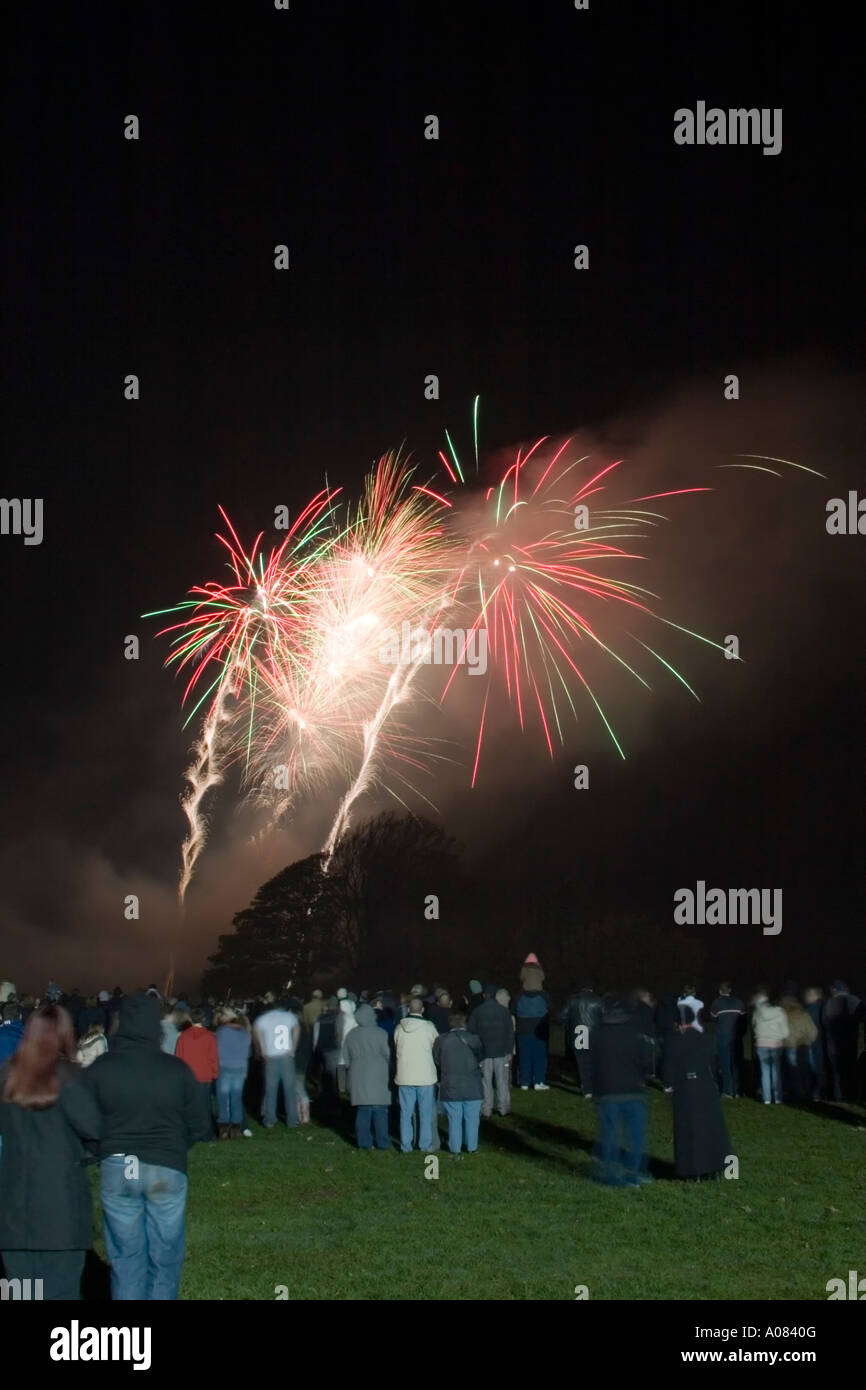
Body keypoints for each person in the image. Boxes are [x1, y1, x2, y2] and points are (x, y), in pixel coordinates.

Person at [82, 991, 212, 1299]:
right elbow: (200, 1123)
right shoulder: (176, 1069)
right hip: (165, 1165)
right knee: (165, 1257)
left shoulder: (101, 1069)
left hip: (118, 1166)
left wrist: (101, 1146)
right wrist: (174, 1146)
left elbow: (84, 1120)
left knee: (126, 1258)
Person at [0, 1004, 102, 1299]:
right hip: (61, 1212)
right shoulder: (71, 1078)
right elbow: (97, 1132)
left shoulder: (6, 1075)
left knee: (21, 1294)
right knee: (61, 1294)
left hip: (13, 1213)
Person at [590, 992, 653, 1187]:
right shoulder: (634, 1030)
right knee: (636, 1136)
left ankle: (610, 1174)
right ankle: (634, 1173)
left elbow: (592, 1061)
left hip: (608, 1091)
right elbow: (646, 1059)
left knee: (609, 1134)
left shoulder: (597, 1033)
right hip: (632, 1089)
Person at [663, 1003, 732, 1179]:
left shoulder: (675, 1039)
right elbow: (713, 1063)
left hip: (686, 1089)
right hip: (706, 1088)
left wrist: (668, 1083)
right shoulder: (705, 1037)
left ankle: (693, 1170)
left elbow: (669, 1068)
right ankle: (717, 1167)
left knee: (689, 1131)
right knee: (710, 1129)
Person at [434, 1010, 484, 1155]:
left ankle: (455, 1148)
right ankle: (471, 1147)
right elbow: (480, 1056)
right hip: (472, 1084)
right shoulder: (474, 1039)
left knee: (454, 1118)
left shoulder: (441, 1040)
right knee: (472, 1118)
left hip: (450, 1084)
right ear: (465, 1023)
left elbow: (437, 1060)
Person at [393, 998, 438, 1153]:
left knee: (405, 1112)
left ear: (408, 1010)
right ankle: (424, 1145)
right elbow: (436, 1047)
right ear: (422, 1010)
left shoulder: (399, 1027)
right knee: (425, 1112)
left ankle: (406, 1145)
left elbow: (396, 1046)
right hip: (425, 1075)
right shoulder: (429, 1027)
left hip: (405, 1074)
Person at [345, 1002, 392, 1149]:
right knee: (380, 1111)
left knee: (363, 1110)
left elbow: (346, 1058)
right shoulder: (381, 1033)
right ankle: (383, 1142)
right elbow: (388, 1054)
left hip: (358, 1075)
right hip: (378, 1074)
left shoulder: (351, 1035)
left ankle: (364, 1142)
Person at [253, 995, 300, 1128]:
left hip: (271, 1057)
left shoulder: (263, 1019)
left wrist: (262, 1050)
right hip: (286, 1056)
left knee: (270, 1089)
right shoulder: (290, 1017)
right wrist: (293, 1048)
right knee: (289, 1089)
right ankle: (292, 1120)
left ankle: (269, 1119)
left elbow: (256, 1032)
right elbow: (296, 1030)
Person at [469, 984, 514, 1117]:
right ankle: (503, 1108)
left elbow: (471, 1032)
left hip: (484, 1052)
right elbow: (510, 1032)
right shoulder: (504, 1011)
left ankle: (486, 1109)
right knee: (502, 1080)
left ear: (484, 995)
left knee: (485, 1082)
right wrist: (509, 1050)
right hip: (501, 1051)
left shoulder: (477, 1011)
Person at [175, 1008, 219, 1131]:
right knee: (205, 1105)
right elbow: (213, 1057)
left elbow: (178, 1058)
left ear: (190, 1019)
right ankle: (205, 1131)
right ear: (204, 1019)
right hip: (205, 1075)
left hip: (188, 1076)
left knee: (189, 1104)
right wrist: (215, 1073)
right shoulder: (210, 1037)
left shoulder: (183, 1037)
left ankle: (189, 1129)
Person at [215, 1007, 252, 1139]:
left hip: (224, 1067)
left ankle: (224, 1128)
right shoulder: (245, 1034)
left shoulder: (222, 1032)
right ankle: (236, 1129)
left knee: (223, 1098)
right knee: (236, 1098)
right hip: (240, 1067)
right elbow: (247, 1054)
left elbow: (216, 1050)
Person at [560, 985, 603, 1097]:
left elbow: (561, 1016)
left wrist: (568, 1028)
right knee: (594, 1061)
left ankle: (587, 1089)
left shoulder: (572, 999)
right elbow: (605, 1016)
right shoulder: (598, 1000)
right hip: (594, 1035)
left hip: (578, 1035)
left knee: (582, 1063)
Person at [823, 981, 862, 1101]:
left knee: (837, 1072)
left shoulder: (829, 1003)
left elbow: (824, 1023)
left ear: (834, 990)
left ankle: (838, 1096)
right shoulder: (855, 1001)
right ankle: (852, 1095)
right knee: (852, 1070)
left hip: (834, 1044)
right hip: (851, 1042)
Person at [709, 983, 746, 1098]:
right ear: (730, 990)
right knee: (736, 1064)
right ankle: (737, 1091)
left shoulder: (717, 1003)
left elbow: (713, 1018)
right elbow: (744, 1021)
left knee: (725, 1064)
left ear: (720, 991)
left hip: (723, 1037)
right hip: (736, 1037)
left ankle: (728, 1091)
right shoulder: (739, 1002)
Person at [514, 976, 550, 1091]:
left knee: (525, 1056)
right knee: (539, 1057)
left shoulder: (519, 995)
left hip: (523, 1029)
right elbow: (550, 1010)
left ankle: (524, 1082)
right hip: (539, 1030)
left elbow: (513, 1011)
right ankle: (538, 1082)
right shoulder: (543, 995)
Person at [752, 991, 788, 1104]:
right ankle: (778, 1098)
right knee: (776, 1072)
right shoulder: (780, 1012)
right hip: (776, 1044)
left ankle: (767, 1099)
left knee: (765, 1072)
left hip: (761, 1044)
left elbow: (754, 1026)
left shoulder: (757, 1012)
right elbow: (785, 1032)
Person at [781, 995, 818, 1101]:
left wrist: (785, 1042)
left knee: (793, 1070)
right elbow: (813, 1031)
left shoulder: (785, 1015)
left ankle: (796, 1094)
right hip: (804, 1045)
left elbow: (782, 1032)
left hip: (790, 1046)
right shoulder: (804, 1014)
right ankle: (810, 1093)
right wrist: (809, 1040)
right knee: (807, 1070)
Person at [802, 986, 825, 1100]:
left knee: (811, 1069)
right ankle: (818, 1092)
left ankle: (812, 1093)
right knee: (818, 1068)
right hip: (820, 1042)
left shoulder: (809, 1010)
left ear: (814, 996)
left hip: (811, 1043)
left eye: (808, 995)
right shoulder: (823, 1007)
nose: (806, 997)